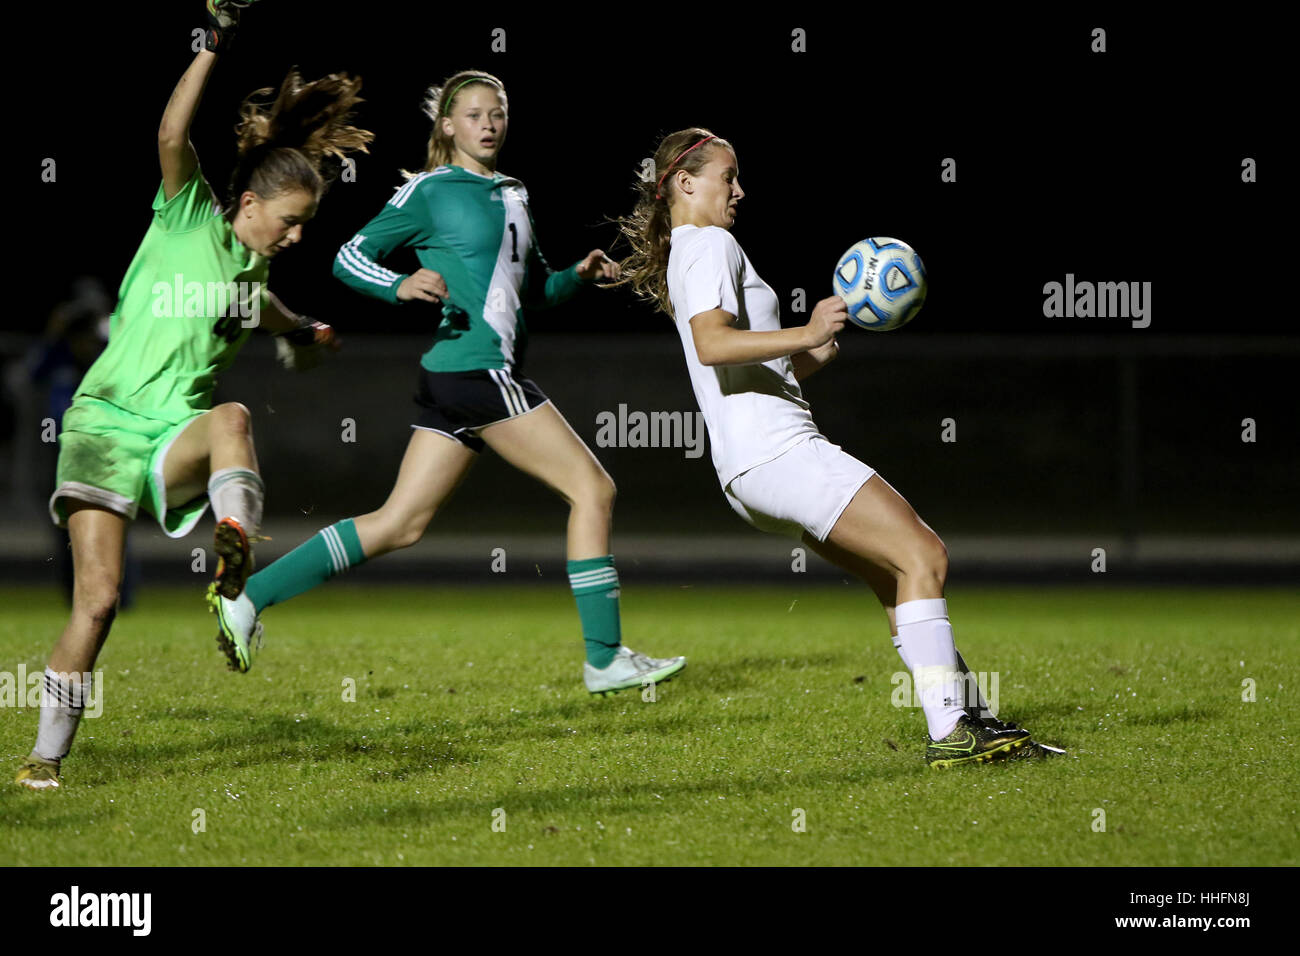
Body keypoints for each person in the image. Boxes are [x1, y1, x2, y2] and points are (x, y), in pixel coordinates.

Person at [208, 70, 685, 696]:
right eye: (475, 114)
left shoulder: (514, 193)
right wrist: (398, 285)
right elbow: (349, 256)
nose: (488, 124)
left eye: (498, 113)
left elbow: (534, 290)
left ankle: (248, 598)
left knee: (400, 523)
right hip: (478, 371)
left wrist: (577, 275)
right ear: (449, 126)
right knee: (593, 489)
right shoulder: (431, 191)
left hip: (462, 379)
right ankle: (604, 658)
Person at [613, 128, 1058, 767]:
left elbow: (739, 371)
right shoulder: (709, 243)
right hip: (778, 453)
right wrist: (807, 327)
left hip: (748, 470)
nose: (740, 190)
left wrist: (808, 352)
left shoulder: (692, 248)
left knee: (893, 577)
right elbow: (713, 344)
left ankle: (974, 722)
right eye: (728, 176)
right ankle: (952, 735)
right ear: (686, 183)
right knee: (923, 554)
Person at [14, 2, 372, 790]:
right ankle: (43, 760)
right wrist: (212, 45)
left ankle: (234, 554)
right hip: (106, 426)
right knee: (99, 602)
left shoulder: (255, 275)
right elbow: (172, 137)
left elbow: (267, 310)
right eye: (291, 221)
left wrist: (304, 331)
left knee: (233, 415)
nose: (298, 235)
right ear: (248, 206)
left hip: (171, 435)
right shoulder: (188, 219)